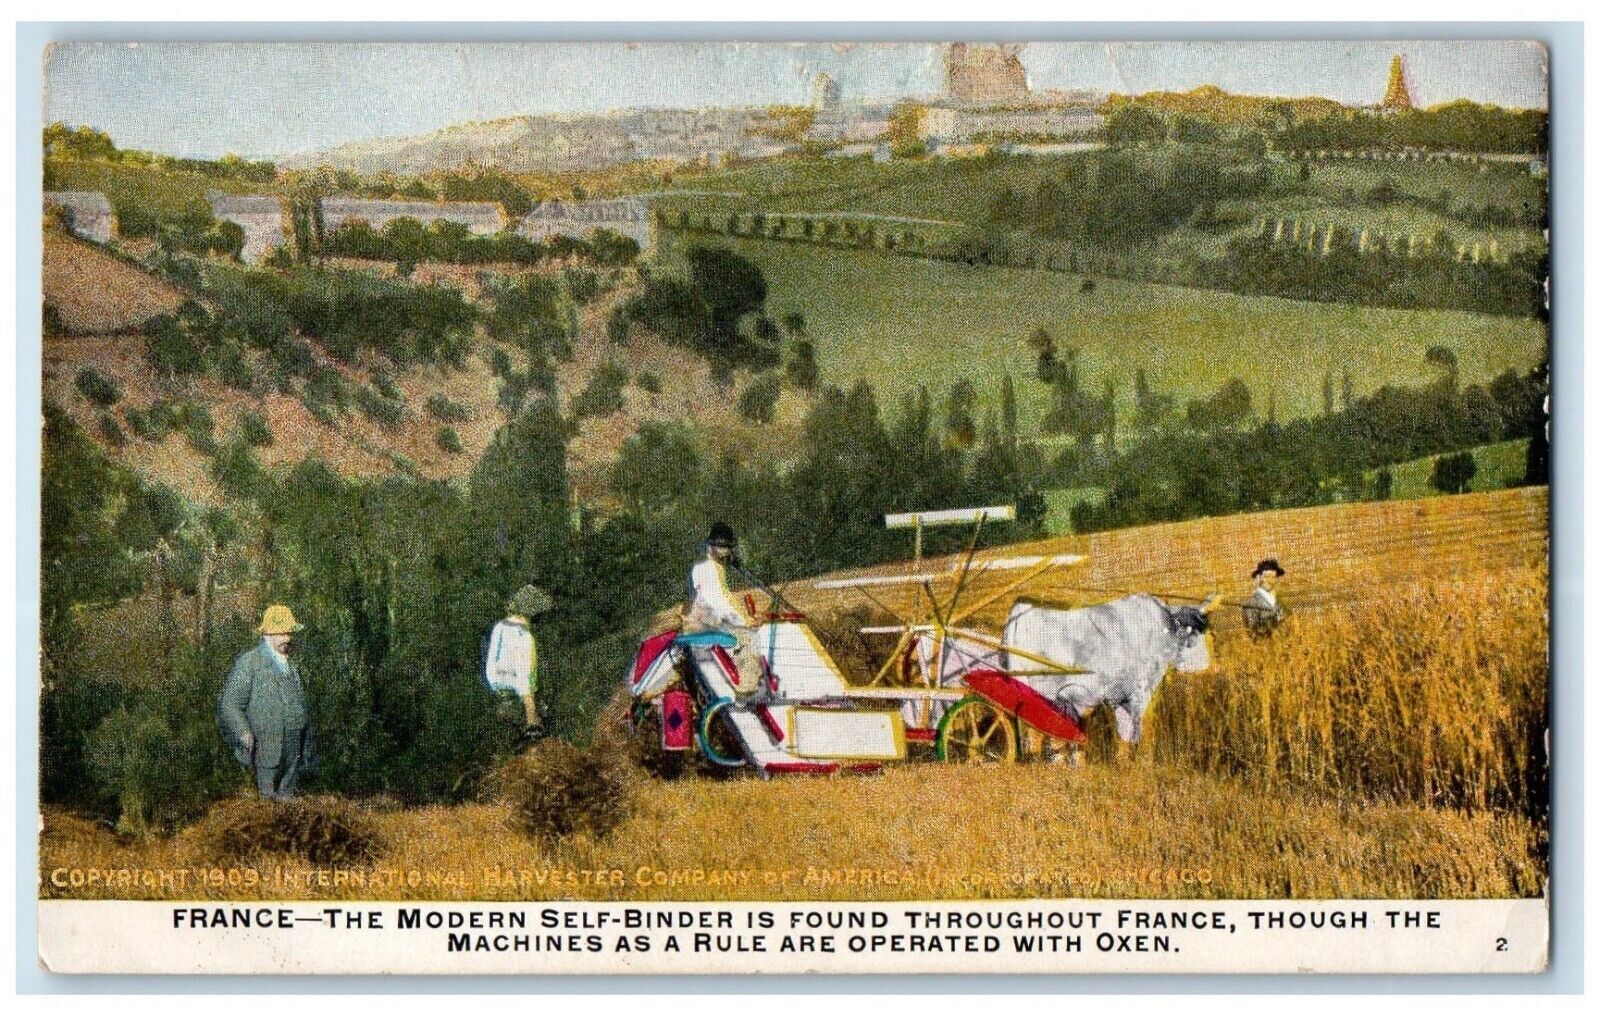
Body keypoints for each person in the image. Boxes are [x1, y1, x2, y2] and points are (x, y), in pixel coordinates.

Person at [218, 604, 316, 801]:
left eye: (289, 632)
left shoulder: (291, 668)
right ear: (267, 634)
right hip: (265, 751)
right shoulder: (250, 663)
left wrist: (305, 743)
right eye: (281, 633)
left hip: (293, 753)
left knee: (288, 808)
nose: (287, 638)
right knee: (267, 807)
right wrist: (244, 734)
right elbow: (229, 703)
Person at [683, 522, 763, 697]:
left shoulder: (706, 565)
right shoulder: (709, 568)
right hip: (705, 624)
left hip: (702, 621)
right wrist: (745, 620)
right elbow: (720, 600)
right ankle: (747, 690)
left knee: (742, 632)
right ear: (715, 547)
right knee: (749, 639)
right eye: (725, 548)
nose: (727, 553)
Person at [485, 584, 551, 728]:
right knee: (533, 670)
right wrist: (531, 716)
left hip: (494, 680)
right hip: (515, 684)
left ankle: (510, 706)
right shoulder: (525, 636)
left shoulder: (500, 626)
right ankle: (531, 720)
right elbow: (526, 677)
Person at [1242, 559, 1288, 638]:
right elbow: (1252, 632)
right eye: (1267, 577)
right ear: (1259, 578)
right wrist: (1273, 631)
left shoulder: (1278, 603)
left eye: (1273, 577)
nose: (1270, 581)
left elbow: (1287, 626)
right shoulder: (1251, 604)